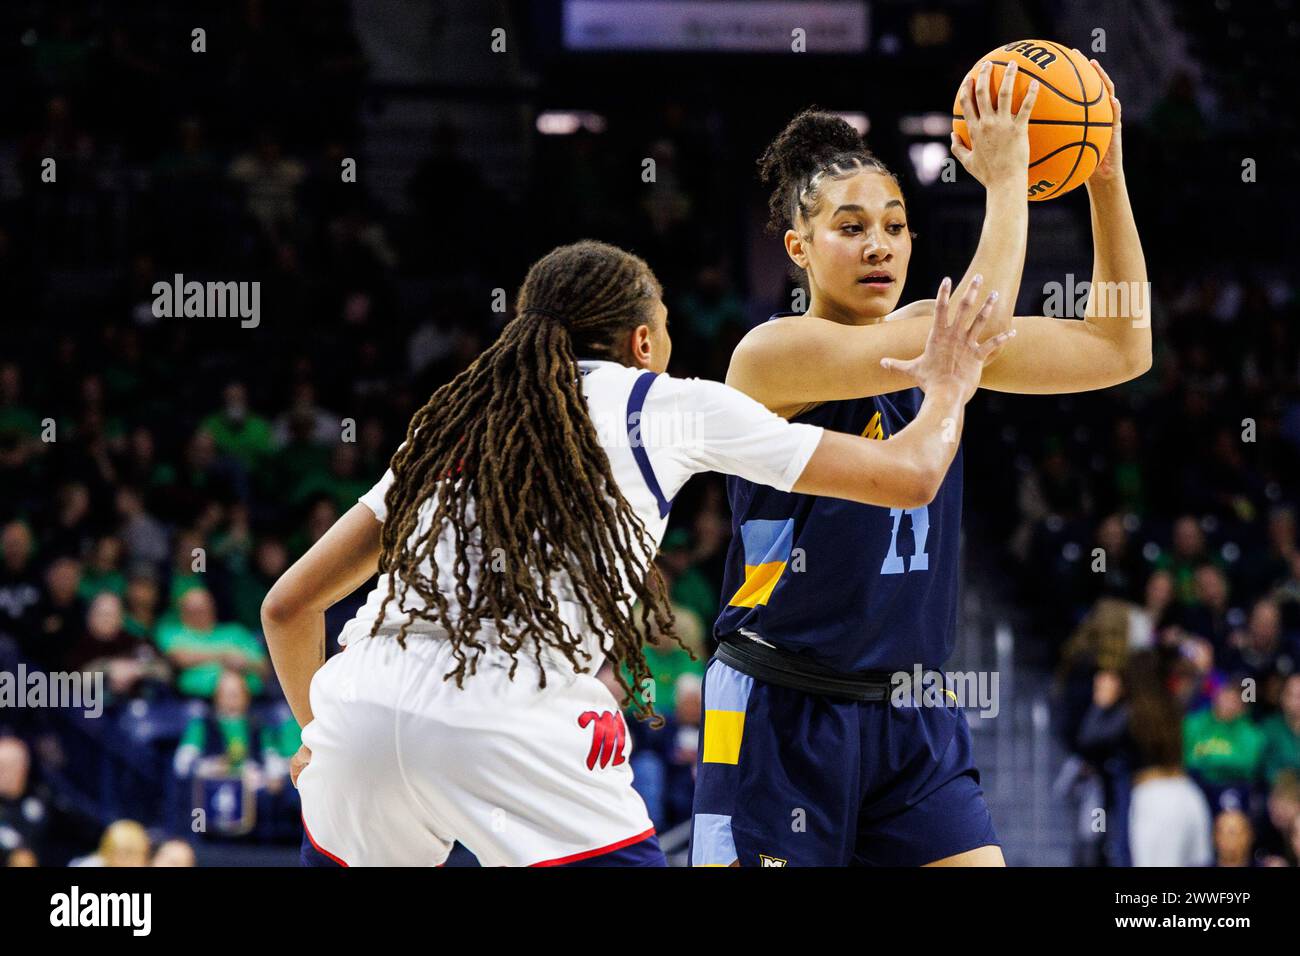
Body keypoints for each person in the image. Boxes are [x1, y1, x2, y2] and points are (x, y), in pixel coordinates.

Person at [262, 239, 1010, 867]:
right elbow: (910, 478)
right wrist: (947, 388)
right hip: (508, 718)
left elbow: (288, 606)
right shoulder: (669, 405)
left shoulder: (452, 430)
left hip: (356, 711)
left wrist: (314, 736)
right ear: (644, 341)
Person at [693, 60, 1150, 866]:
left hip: (912, 714)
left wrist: (1103, 178)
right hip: (782, 706)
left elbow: (1121, 345)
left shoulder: (935, 337)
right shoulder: (771, 356)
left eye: (896, 225)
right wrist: (1008, 181)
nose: (880, 245)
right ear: (798, 247)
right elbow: (968, 328)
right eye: (851, 226)